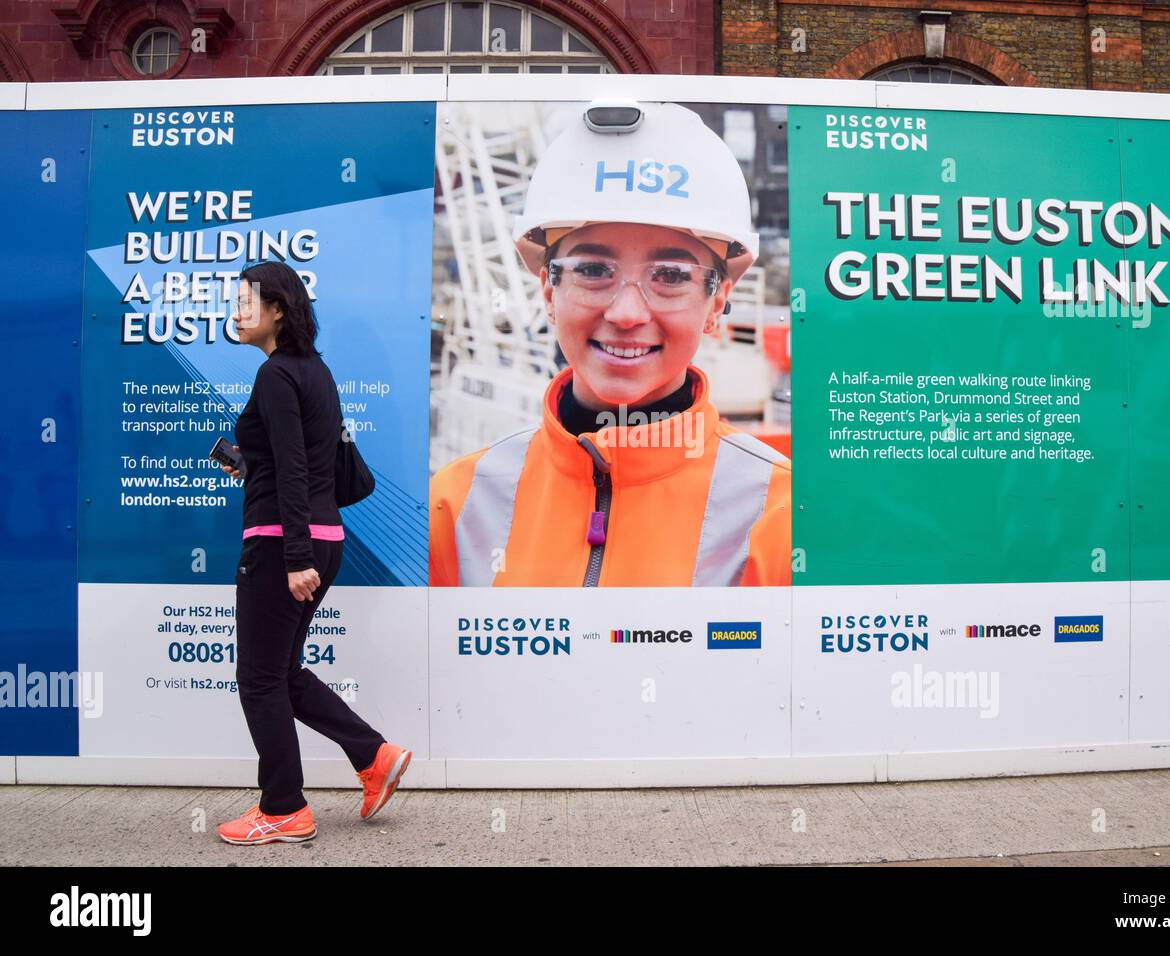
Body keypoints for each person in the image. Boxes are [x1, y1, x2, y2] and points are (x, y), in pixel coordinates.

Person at [429, 102, 791, 587]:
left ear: (717, 303)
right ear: (548, 292)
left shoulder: (784, 516)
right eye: (593, 270)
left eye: (670, 276)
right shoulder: (454, 506)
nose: (626, 314)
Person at [216, 261, 411, 845]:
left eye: (247, 300)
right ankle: (374, 756)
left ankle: (283, 809)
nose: (235, 311)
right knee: (281, 671)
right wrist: (251, 469)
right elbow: (299, 462)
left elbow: (298, 467)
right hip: (319, 539)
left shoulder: (277, 376)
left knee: (257, 679)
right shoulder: (315, 372)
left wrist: (294, 553)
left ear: (278, 309)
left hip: (282, 545)